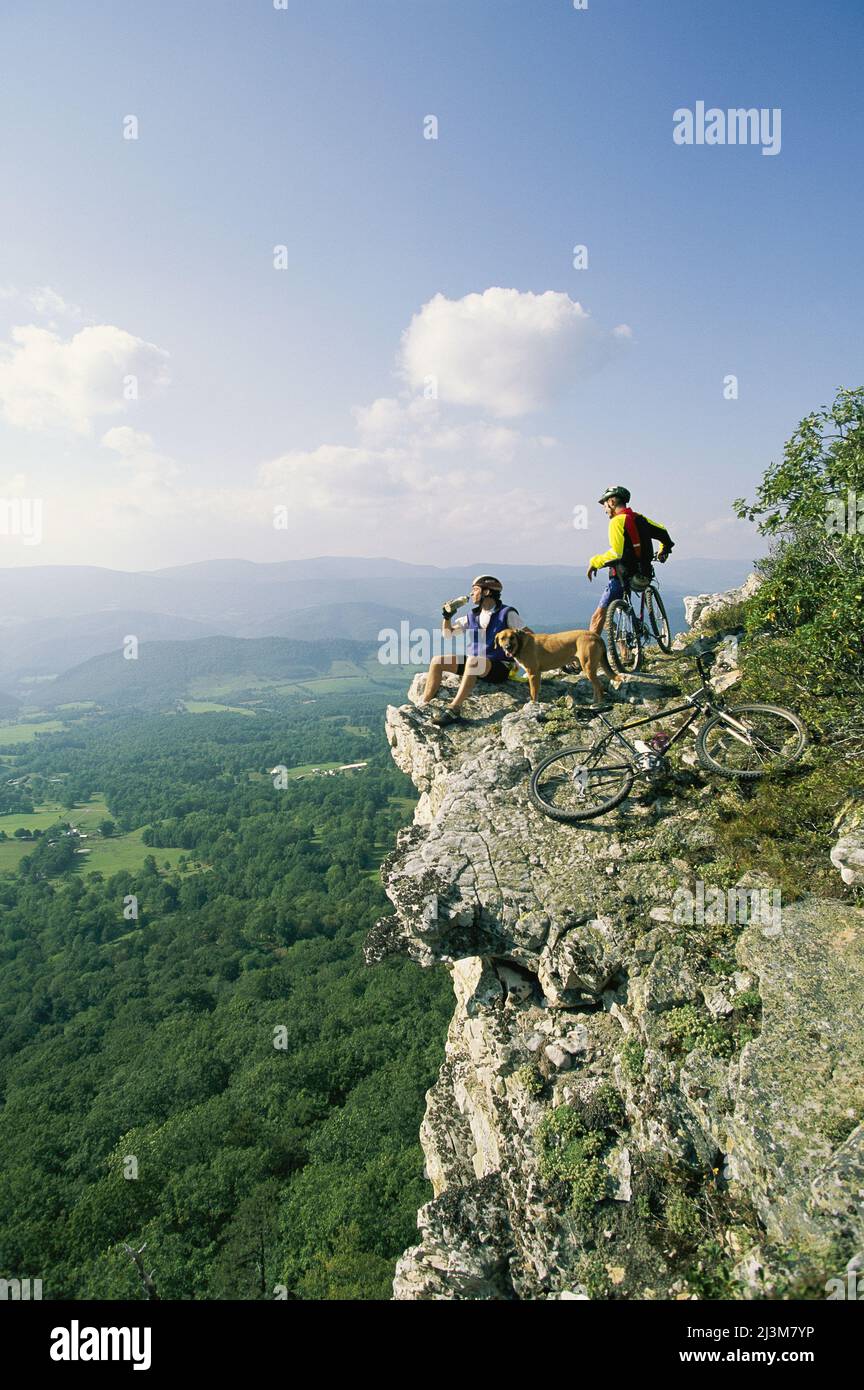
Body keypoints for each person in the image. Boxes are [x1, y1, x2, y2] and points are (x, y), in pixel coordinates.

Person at [419, 575, 526, 726]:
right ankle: (424, 704)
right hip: (474, 664)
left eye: (475, 589)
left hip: (499, 667)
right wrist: (447, 617)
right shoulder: (472, 615)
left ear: (487, 592)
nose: (471, 594)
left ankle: (454, 709)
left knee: (473, 662)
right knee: (437, 661)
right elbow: (448, 634)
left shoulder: (507, 614)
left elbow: (528, 636)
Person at [586, 485, 674, 636]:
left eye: (605, 504)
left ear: (612, 502)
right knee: (620, 611)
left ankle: (589, 656)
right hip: (644, 573)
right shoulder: (640, 519)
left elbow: (616, 553)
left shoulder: (616, 522)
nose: (604, 509)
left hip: (622, 576)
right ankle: (627, 652)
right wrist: (663, 550)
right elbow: (663, 532)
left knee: (598, 617)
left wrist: (595, 562)